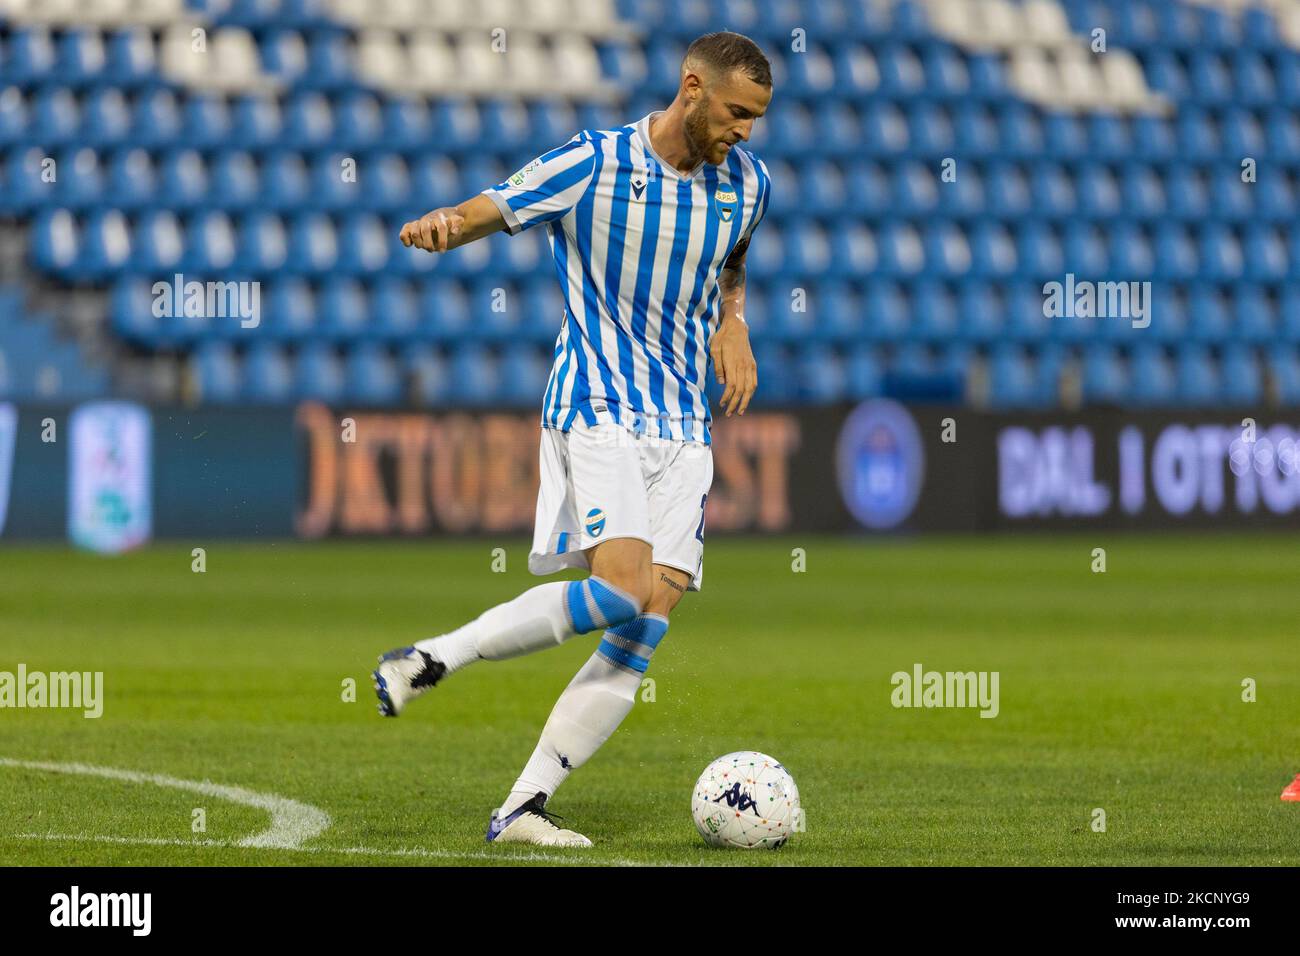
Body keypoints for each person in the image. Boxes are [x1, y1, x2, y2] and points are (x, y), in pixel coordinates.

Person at [373, 31, 772, 847]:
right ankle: (432, 656)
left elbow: (733, 263)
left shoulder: (749, 184)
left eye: (757, 119)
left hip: (684, 427)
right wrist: (446, 226)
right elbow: (498, 203)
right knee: (621, 588)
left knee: (646, 619)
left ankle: (522, 807)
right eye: (736, 113)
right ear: (691, 87)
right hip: (599, 403)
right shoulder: (594, 163)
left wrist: (735, 325)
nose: (745, 132)